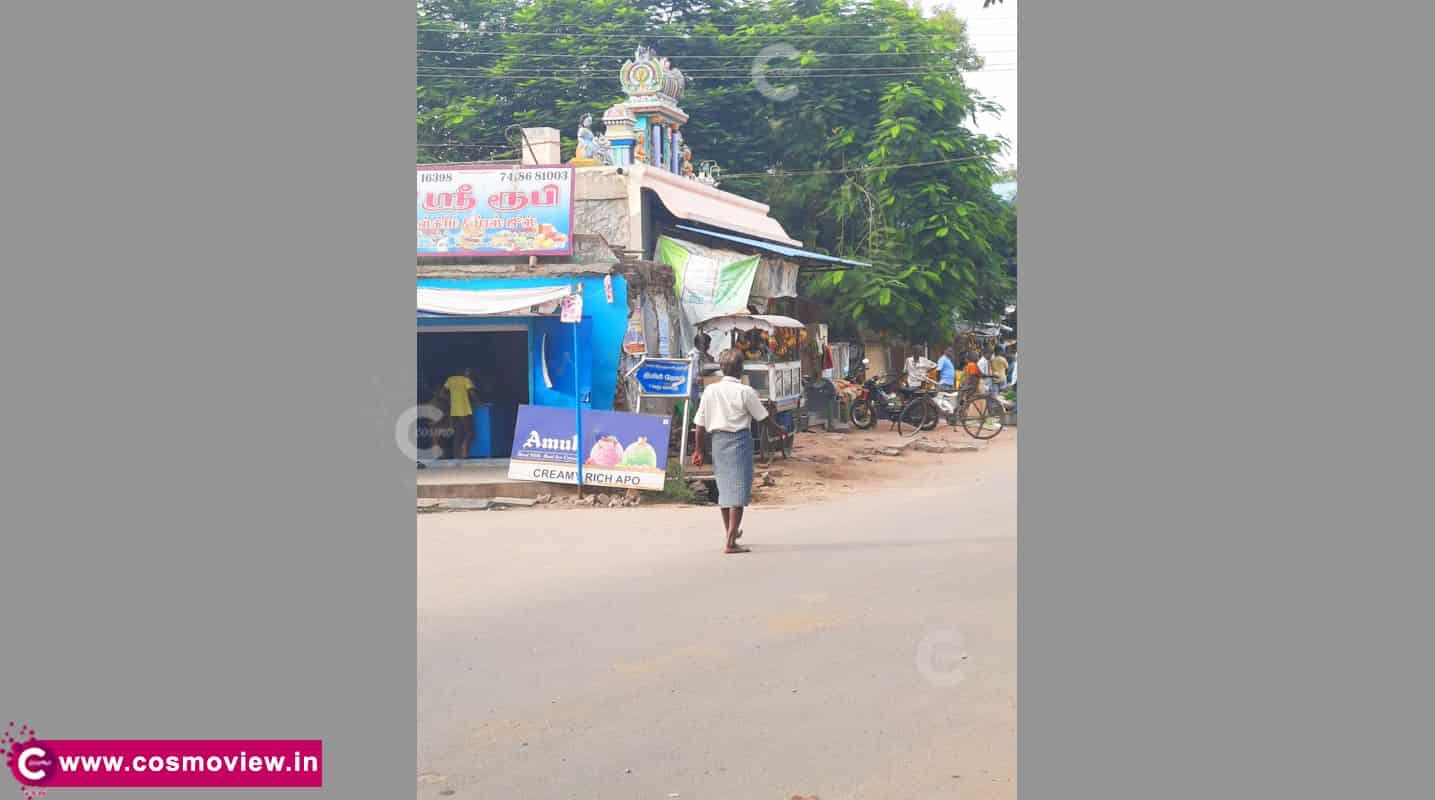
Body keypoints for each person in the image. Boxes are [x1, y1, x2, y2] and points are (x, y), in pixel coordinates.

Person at [691, 349, 785, 554]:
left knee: (725, 490)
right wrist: (778, 430)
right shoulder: (745, 392)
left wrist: (698, 450)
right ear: (741, 369)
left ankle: (730, 533)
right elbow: (763, 418)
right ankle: (731, 540)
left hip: (718, 443)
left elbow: (699, 425)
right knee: (739, 491)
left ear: (721, 368)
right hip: (739, 442)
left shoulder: (710, 391)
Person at [439, 367, 478, 459]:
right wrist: (478, 402)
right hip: (464, 409)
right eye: (467, 371)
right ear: (462, 371)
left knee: (458, 434)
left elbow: (441, 393)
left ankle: (457, 455)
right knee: (470, 432)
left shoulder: (450, 380)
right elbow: (472, 393)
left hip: (454, 410)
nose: (469, 373)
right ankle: (464, 448)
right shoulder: (466, 380)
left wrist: (450, 400)